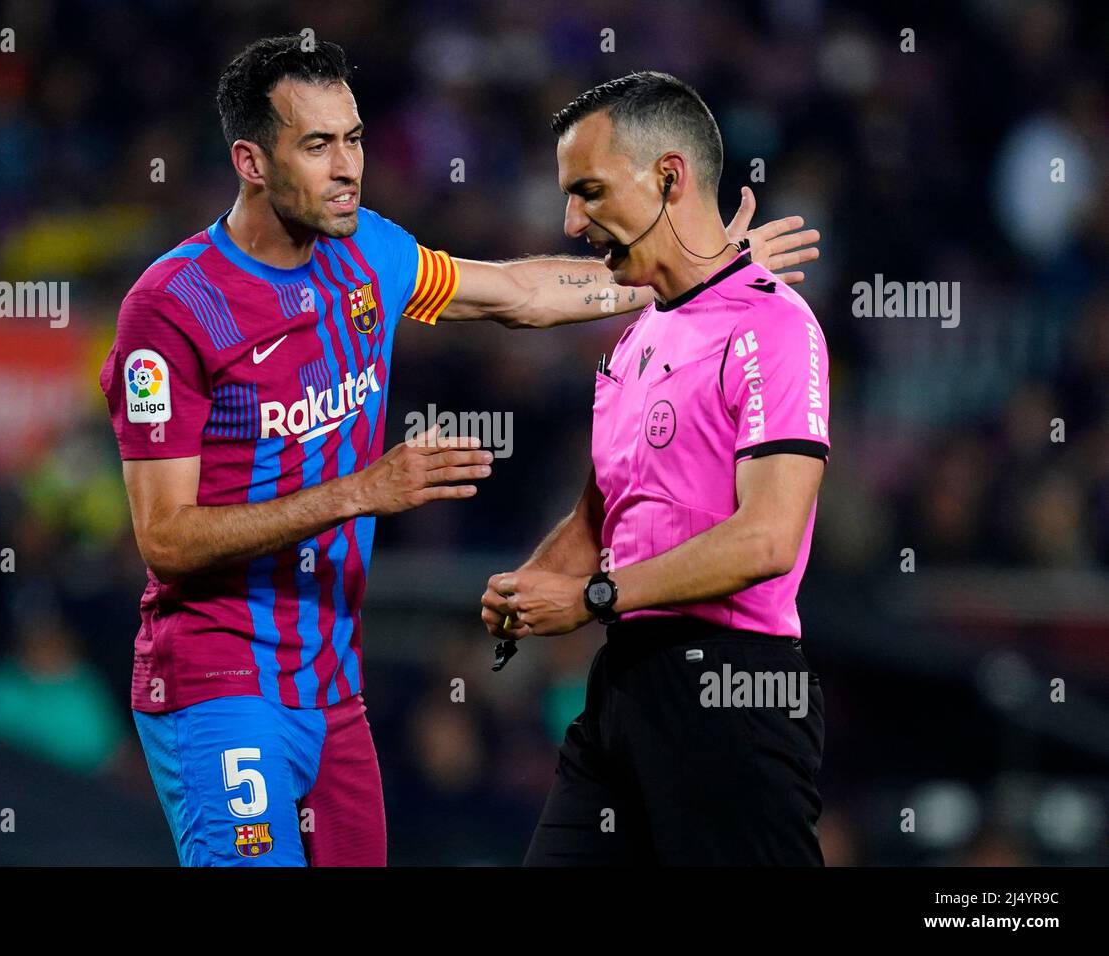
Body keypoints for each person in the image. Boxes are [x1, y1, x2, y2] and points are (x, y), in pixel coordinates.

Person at [102, 37, 819, 867]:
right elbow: (164, 539)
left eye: (355, 138)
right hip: (218, 680)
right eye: (318, 145)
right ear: (250, 161)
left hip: (332, 691)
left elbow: (520, 292)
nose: (348, 167)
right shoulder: (171, 308)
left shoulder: (366, 252)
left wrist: (692, 274)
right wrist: (358, 492)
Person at [482, 72, 830, 865]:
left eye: (591, 191)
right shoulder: (634, 341)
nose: (573, 221)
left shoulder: (775, 327)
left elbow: (767, 540)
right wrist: (534, 582)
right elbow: (603, 514)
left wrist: (593, 594)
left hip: (735, 692)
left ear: (669, 176)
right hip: (623, 691)